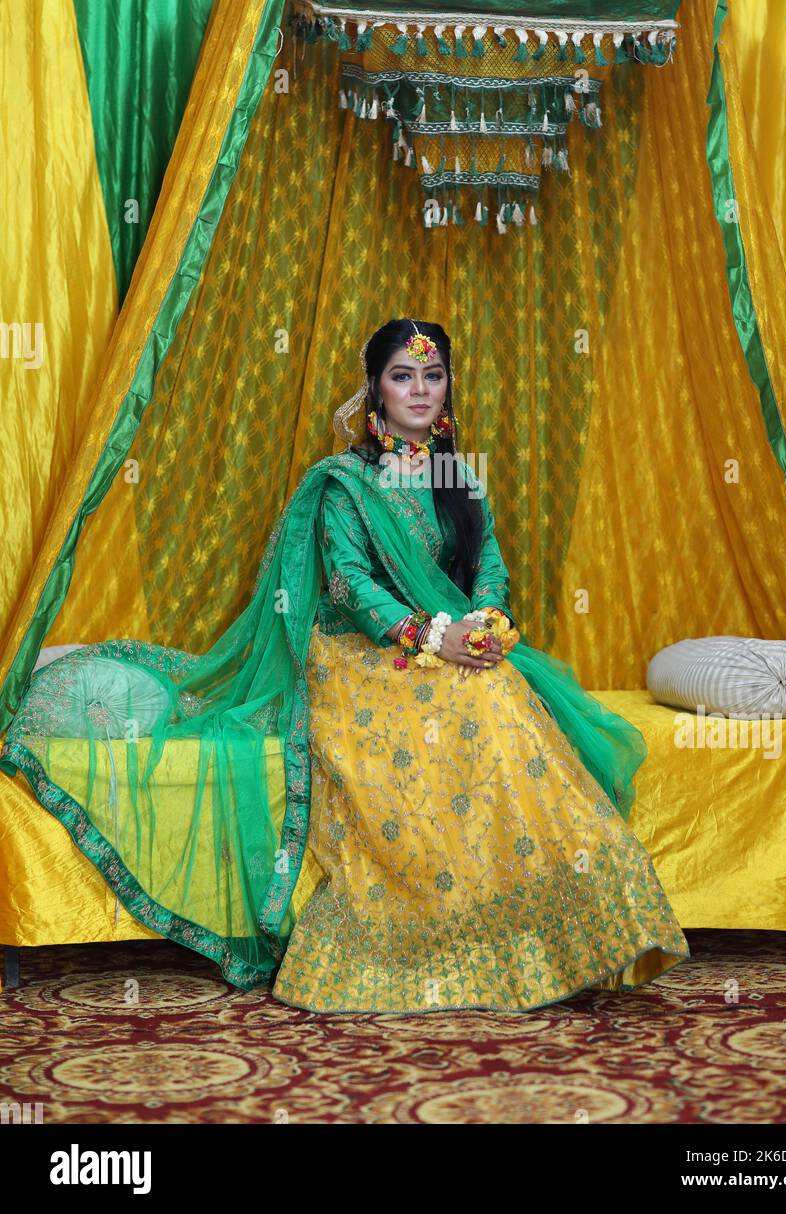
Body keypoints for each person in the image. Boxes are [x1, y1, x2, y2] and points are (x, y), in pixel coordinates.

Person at [1, 317, 689, 1013]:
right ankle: (421, 941)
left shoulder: (458, 474)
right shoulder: (343, 481)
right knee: (476, 698)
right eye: (402, 375)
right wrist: (428, 636)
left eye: (433, 374)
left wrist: (481, 622)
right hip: (359, 655)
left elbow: (490, 564)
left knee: (501, 687)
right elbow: (350, 584)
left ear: (449, 385)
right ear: (374, 389)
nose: (419, 389)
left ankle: (571, 927)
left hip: (451, 643)